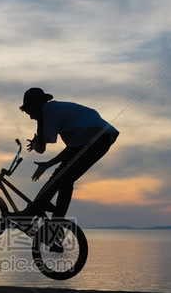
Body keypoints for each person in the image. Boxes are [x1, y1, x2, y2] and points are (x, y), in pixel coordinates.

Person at [18, 87, 119, 218]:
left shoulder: (48, 111)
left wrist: (40, 151)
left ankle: (33, 212)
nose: (31, 117)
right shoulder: (58, 114)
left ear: (36, 105)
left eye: (29, 112)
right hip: (98, 140)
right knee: (65, 180)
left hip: (97, 140)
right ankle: (54, 220)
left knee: (59, 177)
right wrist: (46, 162)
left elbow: (43, 149)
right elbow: (70, 151)